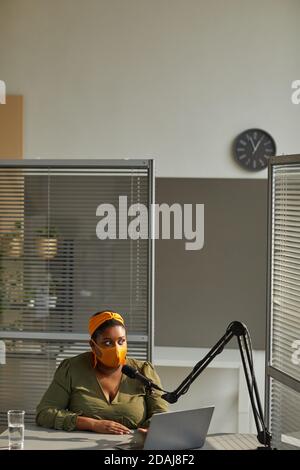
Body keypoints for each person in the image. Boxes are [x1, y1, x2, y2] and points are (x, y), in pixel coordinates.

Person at [36, 310, 168, 434]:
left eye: (121, 341)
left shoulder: (143, 371)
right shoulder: (72, 368)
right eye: (108, 343)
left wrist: (150, 431)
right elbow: (44, 414)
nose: (117, 349)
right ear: (93, 345)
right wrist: (91, 424)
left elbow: (161, 415)